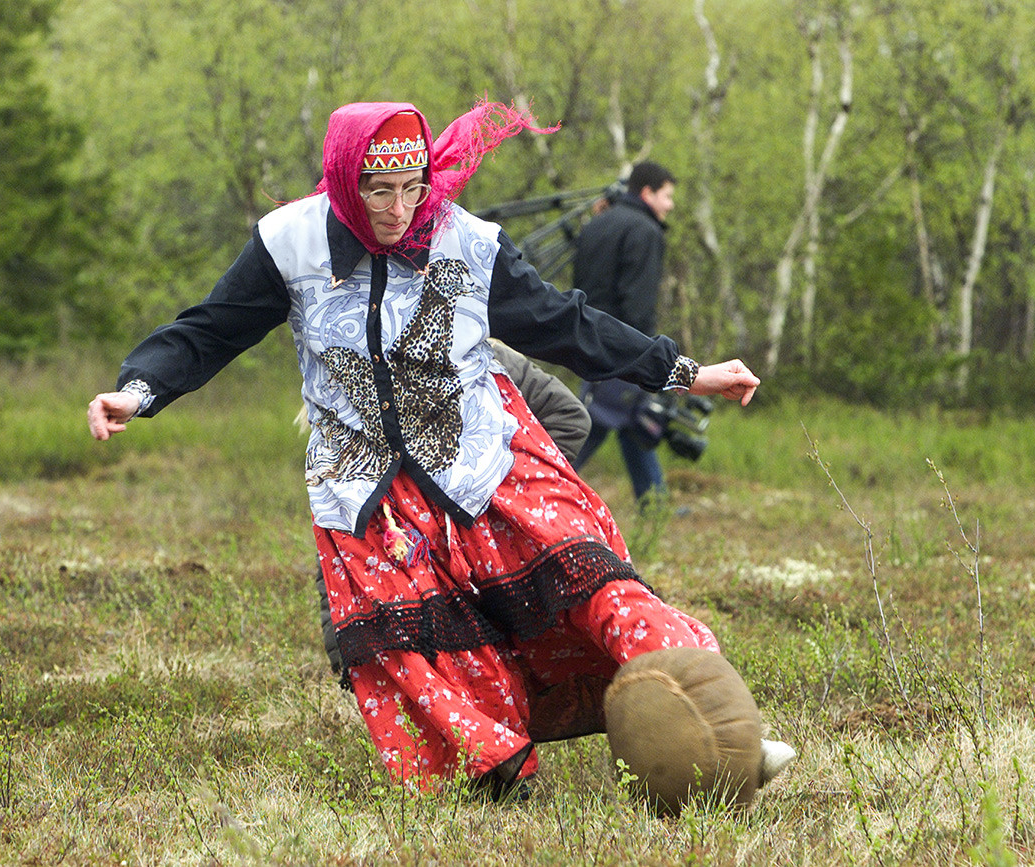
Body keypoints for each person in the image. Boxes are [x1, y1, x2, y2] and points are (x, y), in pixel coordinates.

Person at [87, 100, 777, 799]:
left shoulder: (467, 241)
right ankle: (493, 771)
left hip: (485, 457)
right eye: (379, 191)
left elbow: (564, 324)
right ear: (344, 179)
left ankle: (722, 727)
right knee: (406, 642)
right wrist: (138, 390)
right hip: (365, 485)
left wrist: (685, 372)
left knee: (593, 583)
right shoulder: (287, 243)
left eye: (413, 188)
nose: (399, 209)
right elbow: (209, 330)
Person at [315, 339, 591, 674]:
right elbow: (339, 554)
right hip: (428, 573)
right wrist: (346, 655)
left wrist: (508, 486)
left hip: (507, 546)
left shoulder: (479, 351)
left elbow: (568, 419)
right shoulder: (346, 417)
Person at [571, 161, 678, 504]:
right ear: (647, 192)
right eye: (666, 196)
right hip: (620, 346)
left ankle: (655, 503)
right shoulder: (645, 231)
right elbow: (638, 304)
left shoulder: (597, 223)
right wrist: (648, 355)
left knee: (635, 420)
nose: (670, 205)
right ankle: (539, 488)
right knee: (595, 423)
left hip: (586, 337)